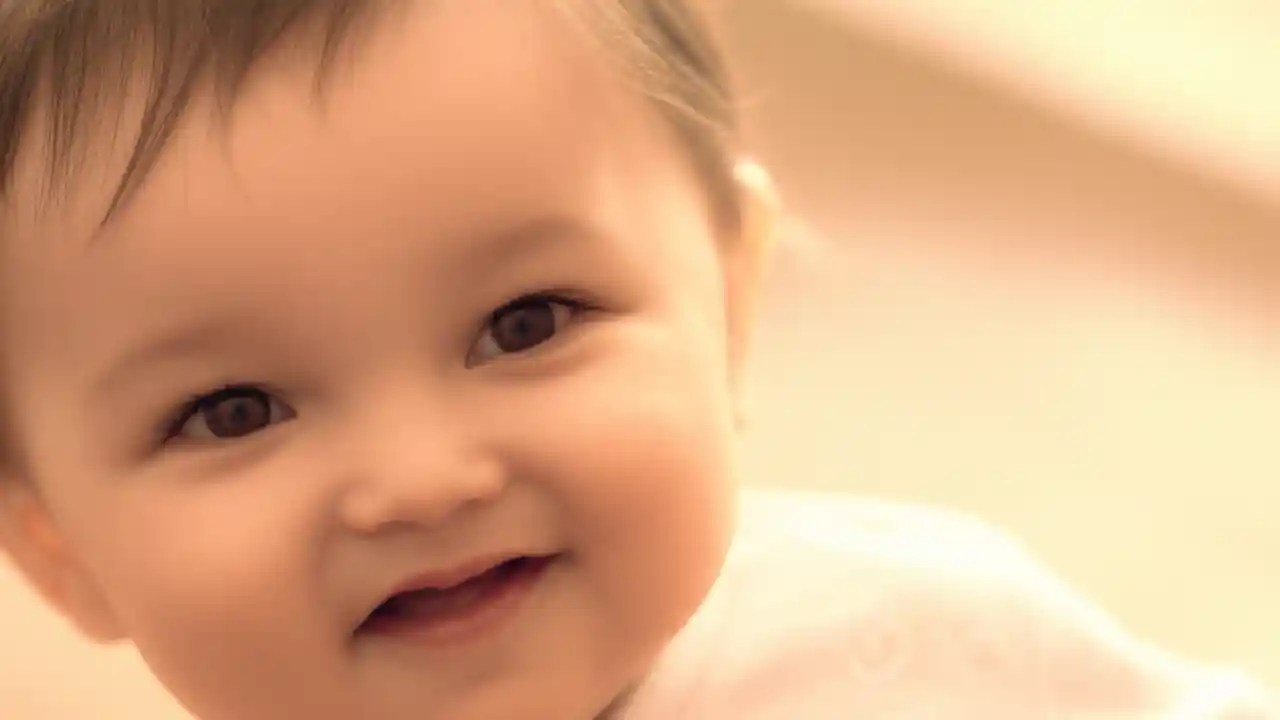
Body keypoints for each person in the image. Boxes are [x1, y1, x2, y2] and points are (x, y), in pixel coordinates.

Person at [0, 1, 1272, 718]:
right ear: (60, 551)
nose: (422, 478)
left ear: (725, 303)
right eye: (232, 411)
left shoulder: (908, 653)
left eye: (527, 323)